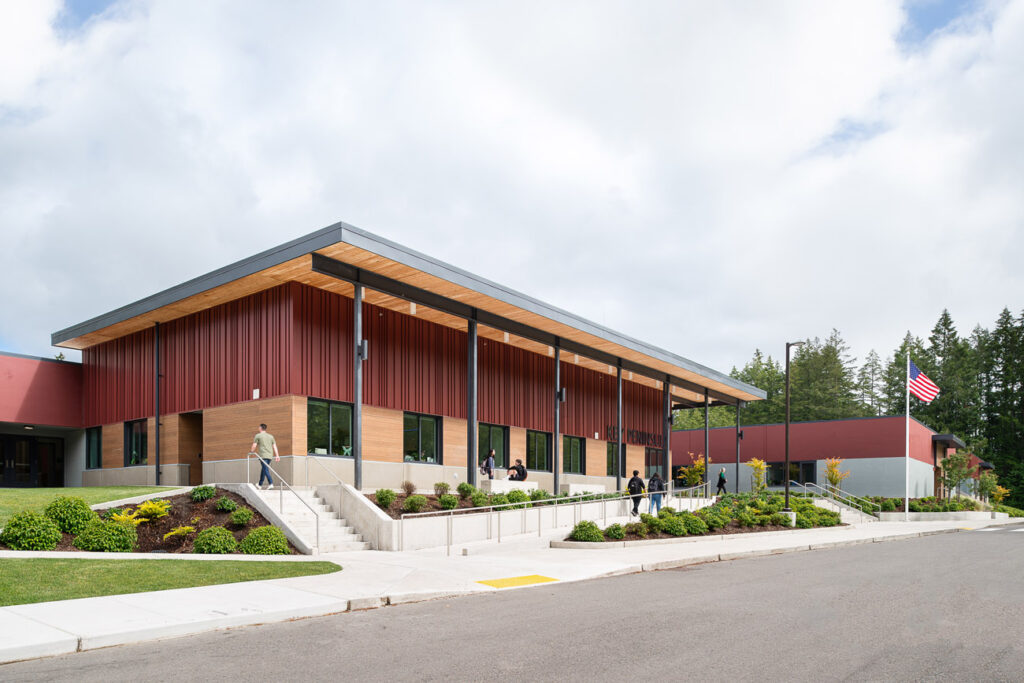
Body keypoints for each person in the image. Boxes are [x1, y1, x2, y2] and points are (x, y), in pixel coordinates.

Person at [250, 423, 280, 490]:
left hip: (263, 455)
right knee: (264, 469)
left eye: (259, 427)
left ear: (260, 428)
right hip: (270, 455)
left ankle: (271, 483)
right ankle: (260, 484)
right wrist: (277, 455)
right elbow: (274, 446)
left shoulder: (258, 435)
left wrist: (251, 451)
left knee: (265, 469)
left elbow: (254, 445)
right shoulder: (271, 436)